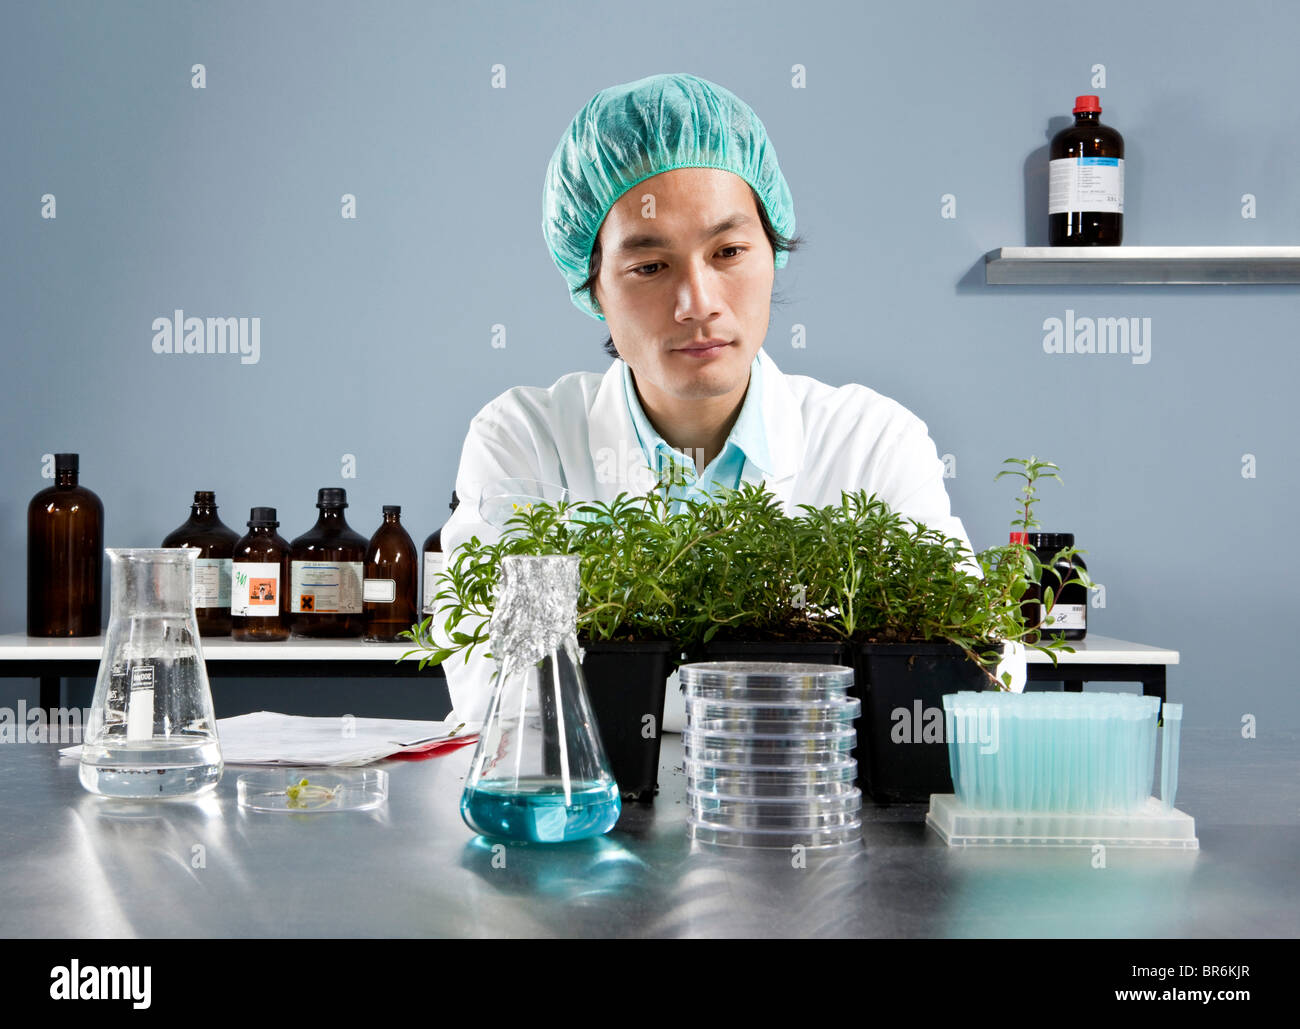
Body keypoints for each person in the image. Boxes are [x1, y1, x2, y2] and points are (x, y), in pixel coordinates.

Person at [432, 73, 1005, 724]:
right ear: (592, 286)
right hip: (587, 823)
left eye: (728, 250)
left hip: (805, 816)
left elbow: (967, 677)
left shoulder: (873, 442)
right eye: (650, 266)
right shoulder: (526, 441)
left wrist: (638, 682)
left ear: (773, 250)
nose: (697, 303)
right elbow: (502, 693)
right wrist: (794, 685)